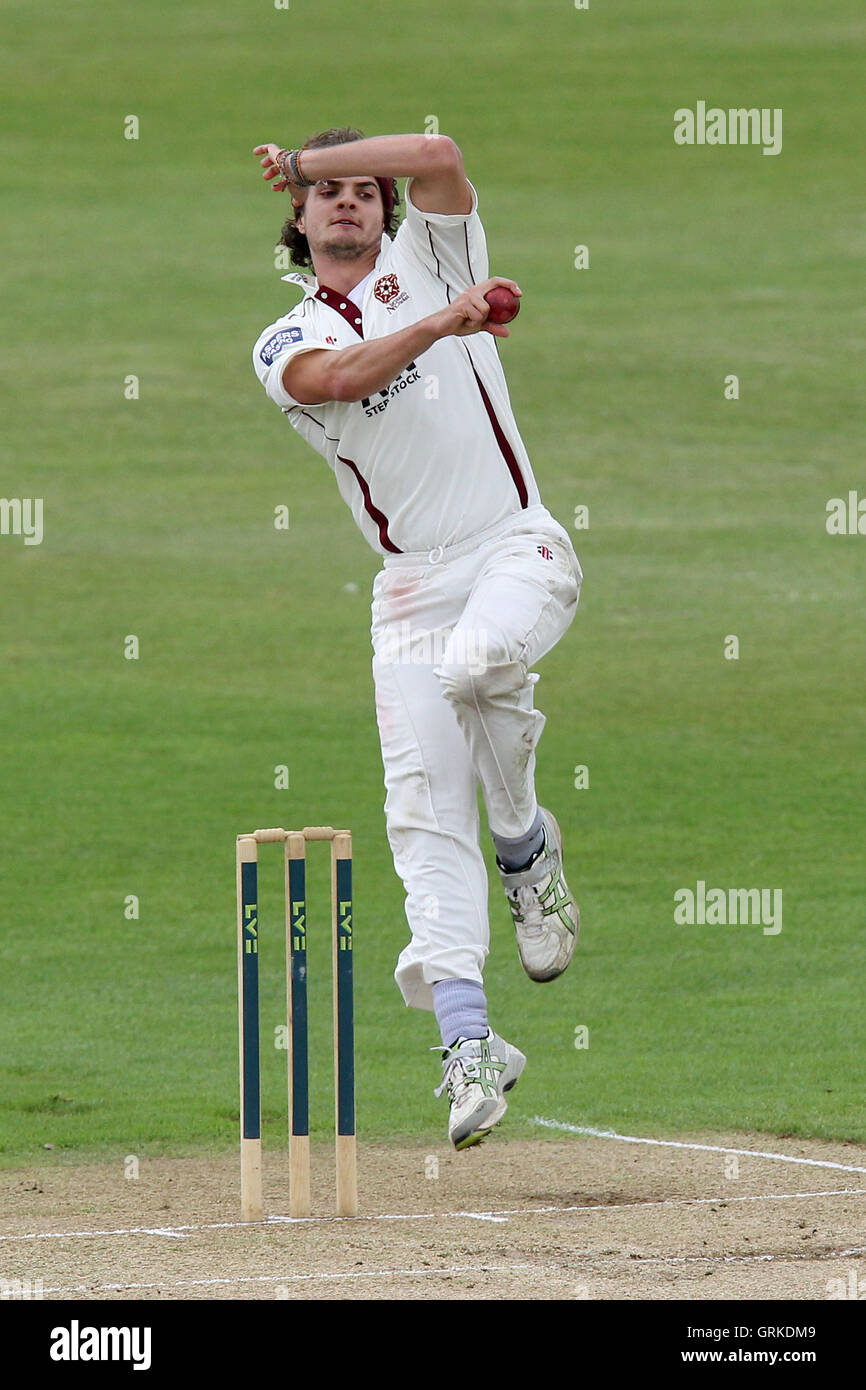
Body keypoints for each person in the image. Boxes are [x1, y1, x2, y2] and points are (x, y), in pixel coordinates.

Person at [251, 127, 582, 1149]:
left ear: (385, 209)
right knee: (422, 817)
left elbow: (436, 149)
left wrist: (317, 163)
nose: (346, 204)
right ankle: (470, 1047)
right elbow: (339, 378)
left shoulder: (436, 254)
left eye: (362, 189)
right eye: (323, 192)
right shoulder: (278, 339)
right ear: (299, 222)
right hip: (407, 593)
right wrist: (445, 326)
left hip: (513, 547)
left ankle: (526, 850)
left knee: (481, 665)